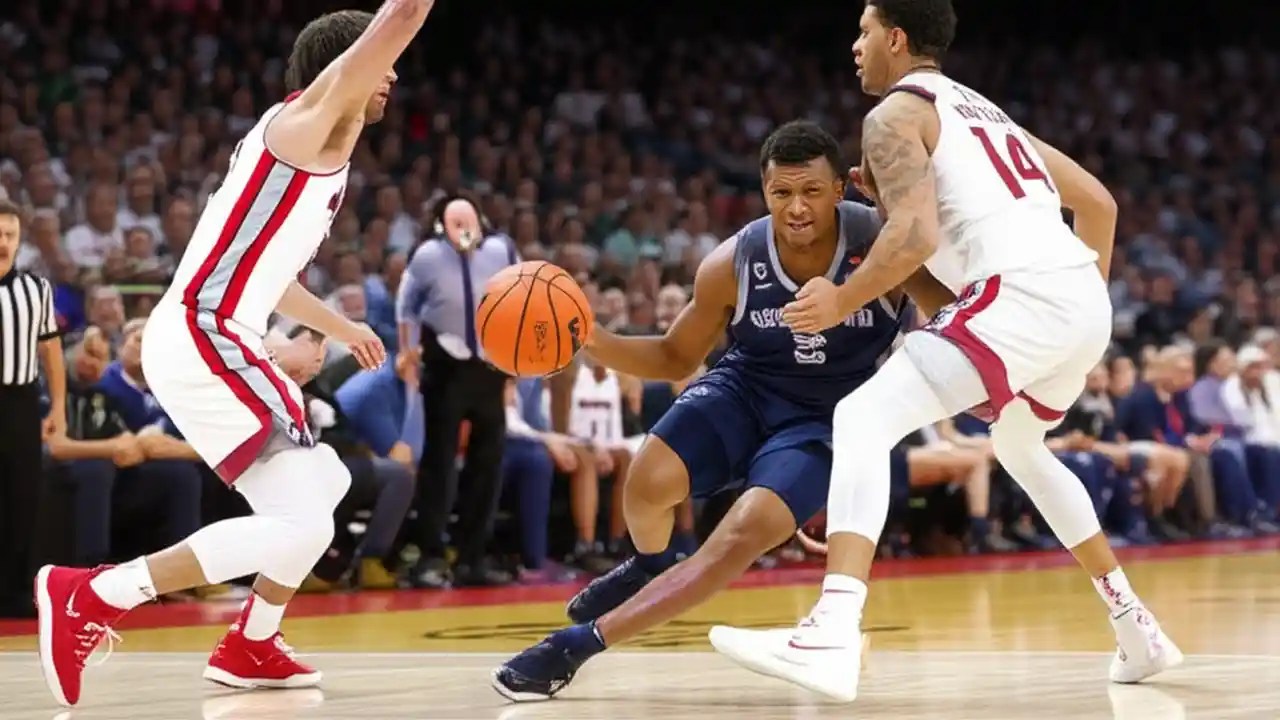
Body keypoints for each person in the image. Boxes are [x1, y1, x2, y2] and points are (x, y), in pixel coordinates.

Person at [707, 0, 1181, 703]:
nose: (855, 45)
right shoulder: (984, 113)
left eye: (865, 31)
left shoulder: (893, 116)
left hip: (1024, 296)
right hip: (1082, 300)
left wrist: (842, 297)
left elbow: (918, 236)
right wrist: (1074, 308)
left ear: (896, 37)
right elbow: (1100, 207)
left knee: (862, 419)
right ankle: (1135, 627)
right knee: (1023, 450)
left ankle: (831, 631)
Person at [33, 2, 432, 707]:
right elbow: (398, 17)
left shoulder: (313, 155)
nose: (393, 76)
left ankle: (252, 641)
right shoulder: (304, 129)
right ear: (345, 69)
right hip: (203, 333)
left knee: (327, 484)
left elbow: (269, 274)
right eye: (380, 65)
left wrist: (336, 325)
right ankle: (92, 593)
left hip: (217, 335)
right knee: (305, 515)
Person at [492, 119, 944, 701]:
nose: (797, 208)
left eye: (811, 192)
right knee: (647, 480)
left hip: (826, 419)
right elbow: (675, 354)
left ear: (840, 190)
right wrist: (591, 339)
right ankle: (651, 565)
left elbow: (951, 315)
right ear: (764, 192)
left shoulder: (884, 246)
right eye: (782, 194)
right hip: (746, 388)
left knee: (740, 535)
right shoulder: (734, 261)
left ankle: (575, 646)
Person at [396, 196, 519, 589]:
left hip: (491, 367)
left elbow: (520, 301)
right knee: (439, 466)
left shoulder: (501, 249)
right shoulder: (427, 255)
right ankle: (430, 557)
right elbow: (406, 308)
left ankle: (473, 557)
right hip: (444, 366)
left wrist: (516, 363)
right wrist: (407, 351)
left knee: (488, 465)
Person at [0, 198, 65, 618]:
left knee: (21, 498)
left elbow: (51, 349)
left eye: (10, 235)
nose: (4, 242)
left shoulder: (36, 289)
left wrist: (58, 405)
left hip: (20, 402)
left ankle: (14, 592)